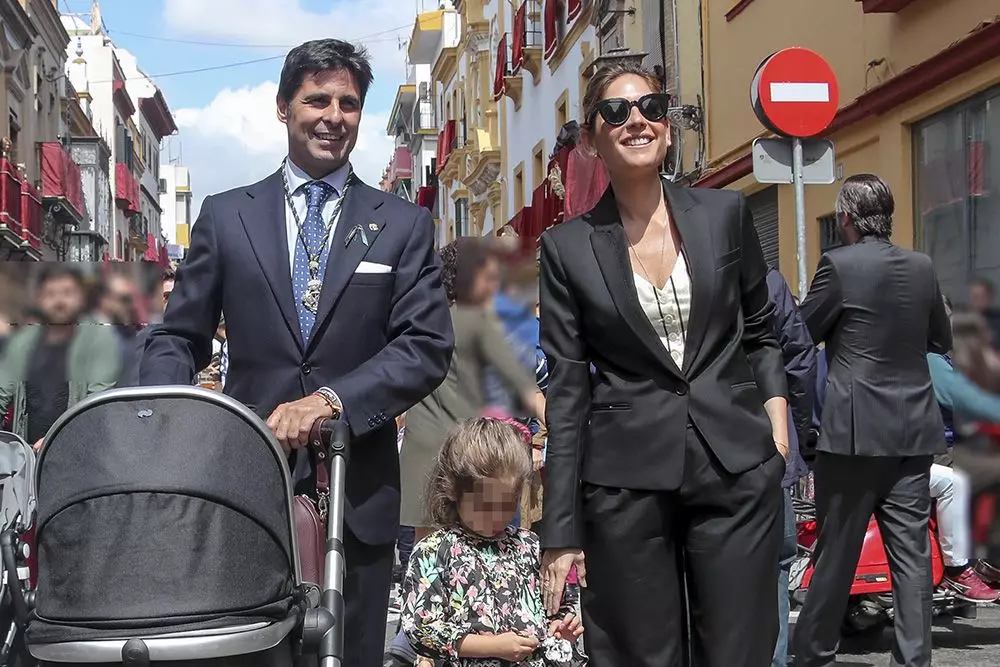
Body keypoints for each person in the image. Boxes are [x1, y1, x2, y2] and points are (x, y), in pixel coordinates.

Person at [138, 39, 454, 667]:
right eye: (317, 99)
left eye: (349, 102)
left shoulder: (402, 224)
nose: (333, 115)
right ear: (283, 107)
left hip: (355, 495)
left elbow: (425, 345)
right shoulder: (227, 217)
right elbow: (178, 336)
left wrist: (331, 400)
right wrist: (163, 418)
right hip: (247, 489)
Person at [538, 61, 789, 667]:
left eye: (651, 108)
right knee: (639, 655)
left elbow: (761, 328)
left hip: (734, 463)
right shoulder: (567, 248)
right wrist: (561, 529)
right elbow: (568, 389)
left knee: (738, 651)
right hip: (626, 479)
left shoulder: (724, 214)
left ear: (668, 127)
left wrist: (777, 428)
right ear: (594, 139)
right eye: (617, 113)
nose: (637, 121)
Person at [794, 174, 951, 667]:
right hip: (912, 432)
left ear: (845, 218)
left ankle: (814, 654)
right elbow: (939, 338)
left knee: (836, 554)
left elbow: (802, 331)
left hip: (853, 433)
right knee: (911, 557)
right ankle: (912, 660)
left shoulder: (838, 265)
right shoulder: (921, 267)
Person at [389, 238, 538, 666]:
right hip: (472, 454)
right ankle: (470, 643)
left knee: (428, 560)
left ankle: (418, 650)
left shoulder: (422, 321)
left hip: (421, 449)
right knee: (475, 560)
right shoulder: (478, 321)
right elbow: (520, 382)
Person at [400, 417, 586, 667]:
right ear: (454, 490)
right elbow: (420, 629)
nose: (497, 517)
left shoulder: (529, 545)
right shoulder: (434, 552)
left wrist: (560, 628)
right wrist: (492, 647)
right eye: (485, 506)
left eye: (508, 504)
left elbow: (553, 610)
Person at [0, 265, 121, 449]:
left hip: (78, 453)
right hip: (28, 455)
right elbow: (2, 392)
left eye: (67, 292)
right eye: (50, 294)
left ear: (80, 298)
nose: (59, 301)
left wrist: (55, 440)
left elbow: (97, 406)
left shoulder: (98, 343)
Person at [765, 267, 816, 667]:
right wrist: (798, 436)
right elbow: (800, 360)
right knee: (776, 568)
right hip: (771, 447)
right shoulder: (768, 283)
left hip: (693, 450)